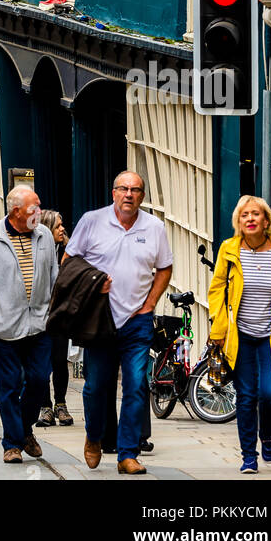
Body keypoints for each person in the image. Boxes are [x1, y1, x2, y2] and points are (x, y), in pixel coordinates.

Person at [64, 170, 173, 476]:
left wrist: (150, 304)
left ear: (142, 196)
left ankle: (128, 453)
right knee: (97, 387)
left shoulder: (154, 227)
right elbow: (69, 264)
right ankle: (94, 436)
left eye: (136, 190)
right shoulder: (92, 221)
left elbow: (164, 267)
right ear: (113, 193)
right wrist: (92, 283)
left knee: (137, 385)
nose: (129, 194)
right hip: (100, 320)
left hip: (137, 321)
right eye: (123, 189)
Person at [208, 194, 271, 475]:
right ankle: (249, 455)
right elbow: (217, 290)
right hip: (240, 336)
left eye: (256, 214)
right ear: (238, 221)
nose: (250, 219)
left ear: (266, 220)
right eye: (244, 215)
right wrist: (218, 328)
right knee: (247, 396)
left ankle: (267, 436)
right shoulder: (229, 249)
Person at [0, 185, 58, 464]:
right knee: (8, 387)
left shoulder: (44, 236)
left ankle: (23, 429)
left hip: (39, 325)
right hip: (4, 329)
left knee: (40, 380)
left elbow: (54, 277)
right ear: (16, 211)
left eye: (39, 206)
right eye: (34, 208)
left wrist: (51, 310)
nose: (39, 213)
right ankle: (12, 444)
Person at [36, 209, 74, 428]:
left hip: (60, 314)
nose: (62, 229)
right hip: (40, 314)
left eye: (62, 225)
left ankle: (61, 404)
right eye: (58, 226)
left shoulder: (68, 250)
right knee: (41, 364)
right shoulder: (37, 250)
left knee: (60, 361)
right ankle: (45, 407)